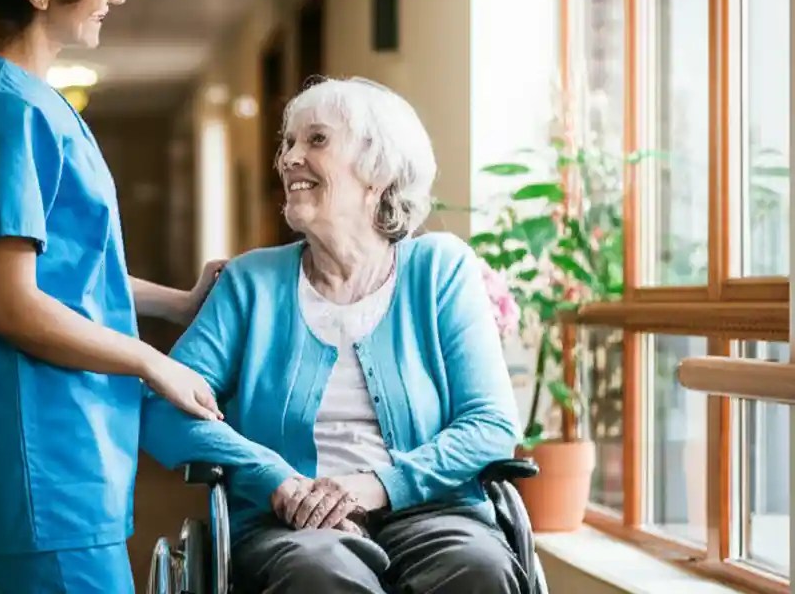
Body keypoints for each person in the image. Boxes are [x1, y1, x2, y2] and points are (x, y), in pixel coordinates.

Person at [0, 0, 223, 593]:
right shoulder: (4, 113)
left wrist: (176, 304)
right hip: (42, 446)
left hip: (69, 447)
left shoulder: (30, 103)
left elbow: (68, 276)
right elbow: (12, 304)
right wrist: (152, 363)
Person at [142, 77, 525, 593]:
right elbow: (165, 410)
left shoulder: (440, 269)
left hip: (432, 514)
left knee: (478, 568)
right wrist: (276, 480)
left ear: (379, 170)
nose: (289, 158)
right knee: (319, 574)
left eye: (316, 140)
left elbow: (491, 422)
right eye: (288, 143)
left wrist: (376, 487)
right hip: (291, 528)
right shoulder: (251, 283)